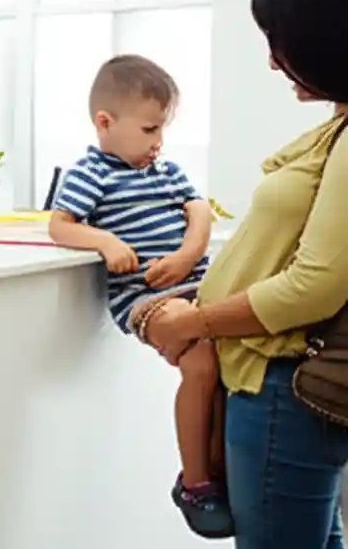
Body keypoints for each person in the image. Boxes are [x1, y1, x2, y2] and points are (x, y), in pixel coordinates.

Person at [142, 0, 348, 549]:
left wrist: (195, 321)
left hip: (284, 384)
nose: (273, 61)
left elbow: (317, 283)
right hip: (273, 380)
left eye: (279, 41)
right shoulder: (337, 124)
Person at [46, 54, 229, 537]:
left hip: (196, 285)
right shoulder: (92, 173)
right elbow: (60, 226)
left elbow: (201, 213)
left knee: (224, 366)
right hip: (144, 298)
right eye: (150, 129)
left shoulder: (165, 171)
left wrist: (189, 256)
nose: (158, 142)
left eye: (162, 130)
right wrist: (105, 241)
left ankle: (214, 471)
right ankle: (195, 483)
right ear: (105, 123)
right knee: (204, 362)